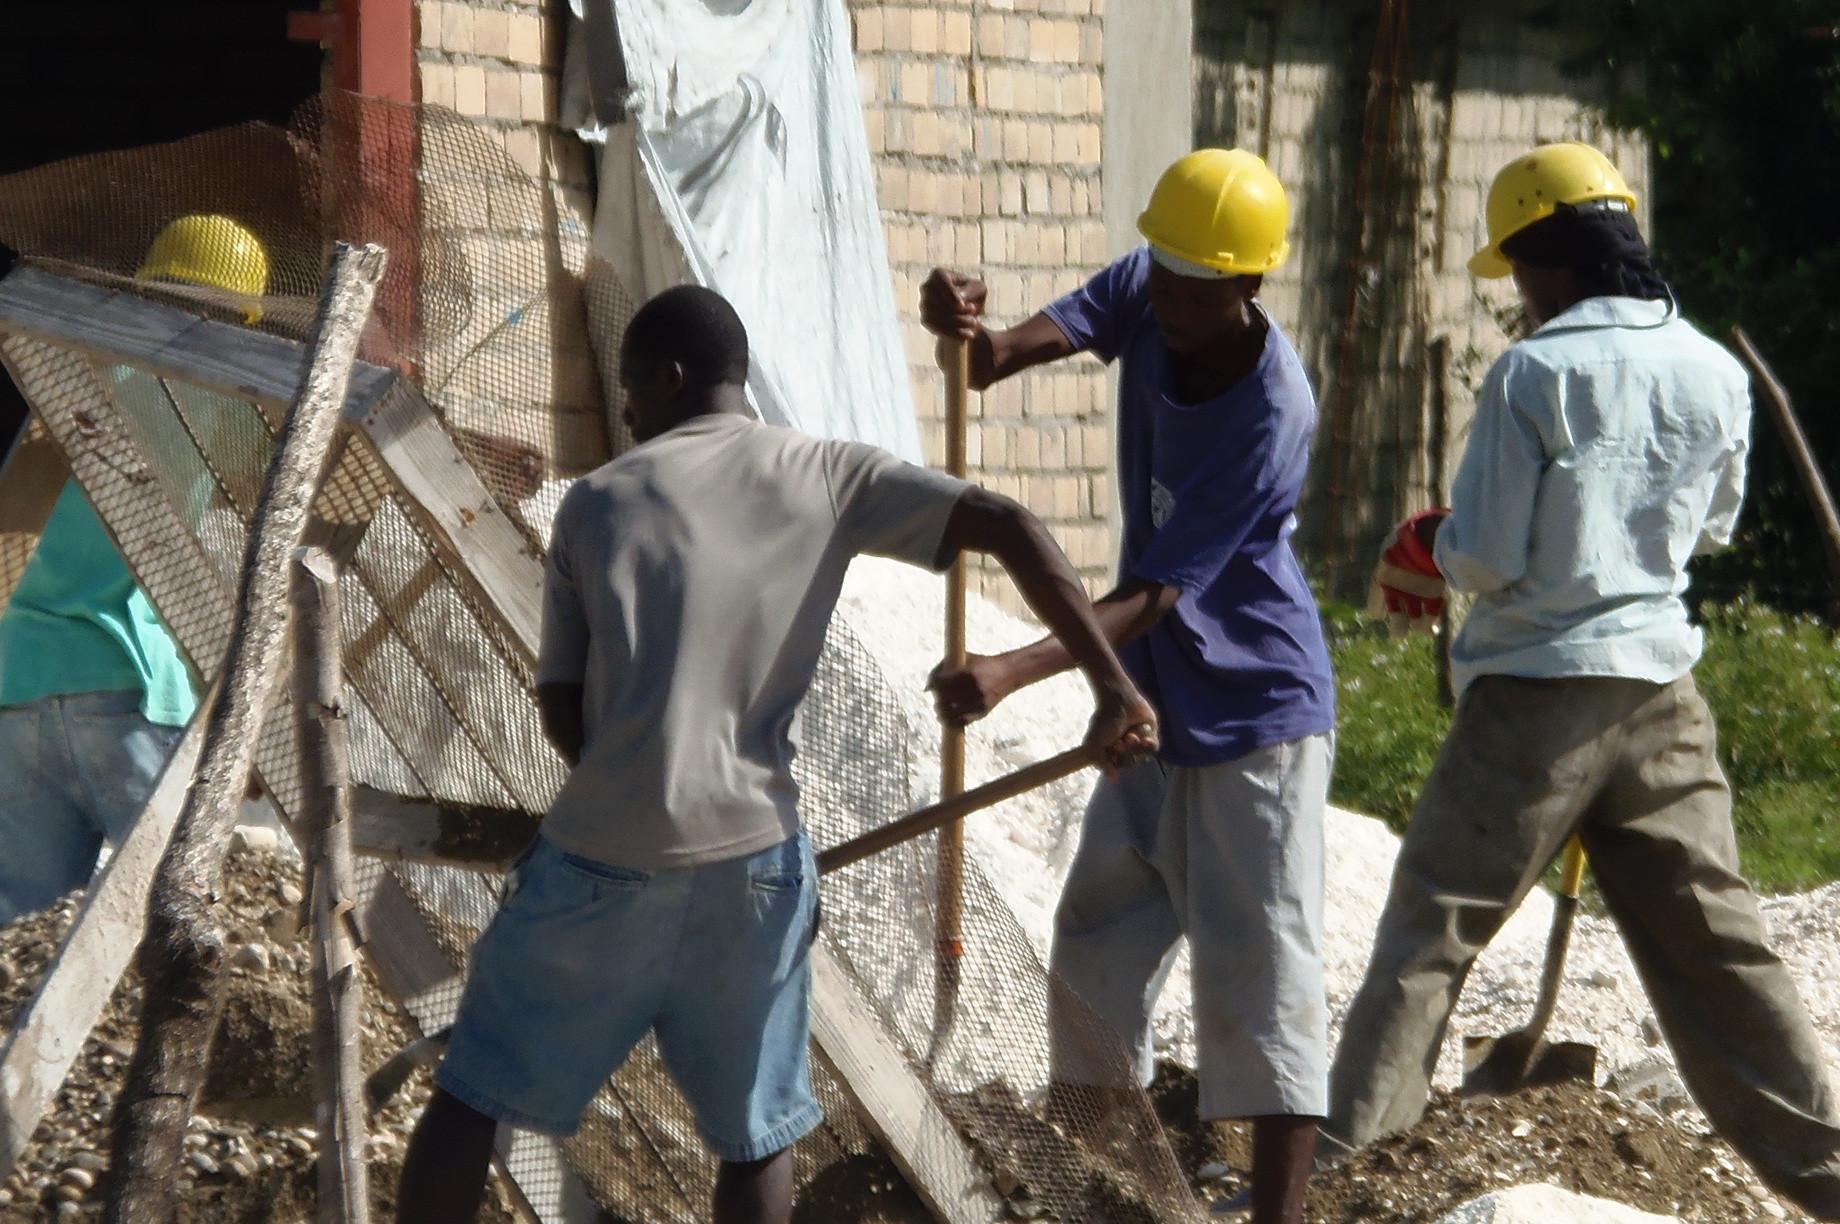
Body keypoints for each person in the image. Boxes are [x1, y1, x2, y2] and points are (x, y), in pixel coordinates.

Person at [393, 284, 1159, 1224]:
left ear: (671, 378)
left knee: (473, 1096)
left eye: (631, 390)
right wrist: (1112, 689)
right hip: (752, 867)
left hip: (604, 858)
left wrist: (638, 774)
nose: (627, 413)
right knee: (754, 1137)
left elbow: (562, 713)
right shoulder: (826, 474)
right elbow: (1010, 525)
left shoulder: (595, 505)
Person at [1325, 142, 1840, 1219]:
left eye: (1517, 268)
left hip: (1532, 700)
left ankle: (1345, 1175)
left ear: (1549, 259)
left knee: (1430, 933)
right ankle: (1828, 1176)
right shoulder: (1713, 368)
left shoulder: (1533, 372)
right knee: (1721, 954)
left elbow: (1490, 554)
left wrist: (1428, 541)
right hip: (1662, 697)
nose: (1516, 293)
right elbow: (1712, 527)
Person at [921, 147, 1337, 1224]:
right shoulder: (1154, 289)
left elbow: (1157, 591)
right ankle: (1099, 1197)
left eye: (1193, 280)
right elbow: (1006, 358)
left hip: (1252, 714)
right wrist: (971, 331)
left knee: (1261, 982)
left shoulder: (1270, 415)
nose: (1165, 290)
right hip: (1147, 702)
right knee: (1095, 951)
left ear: (1246, 284)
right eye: (1160, 267)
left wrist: (1013, 667)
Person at [0, 214, 269, 926]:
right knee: (173, 920)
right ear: (239, 317)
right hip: (129, 685)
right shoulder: (217, 395)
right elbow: (281, 471)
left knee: (20, 933)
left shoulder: (64, 387)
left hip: (17, 685)